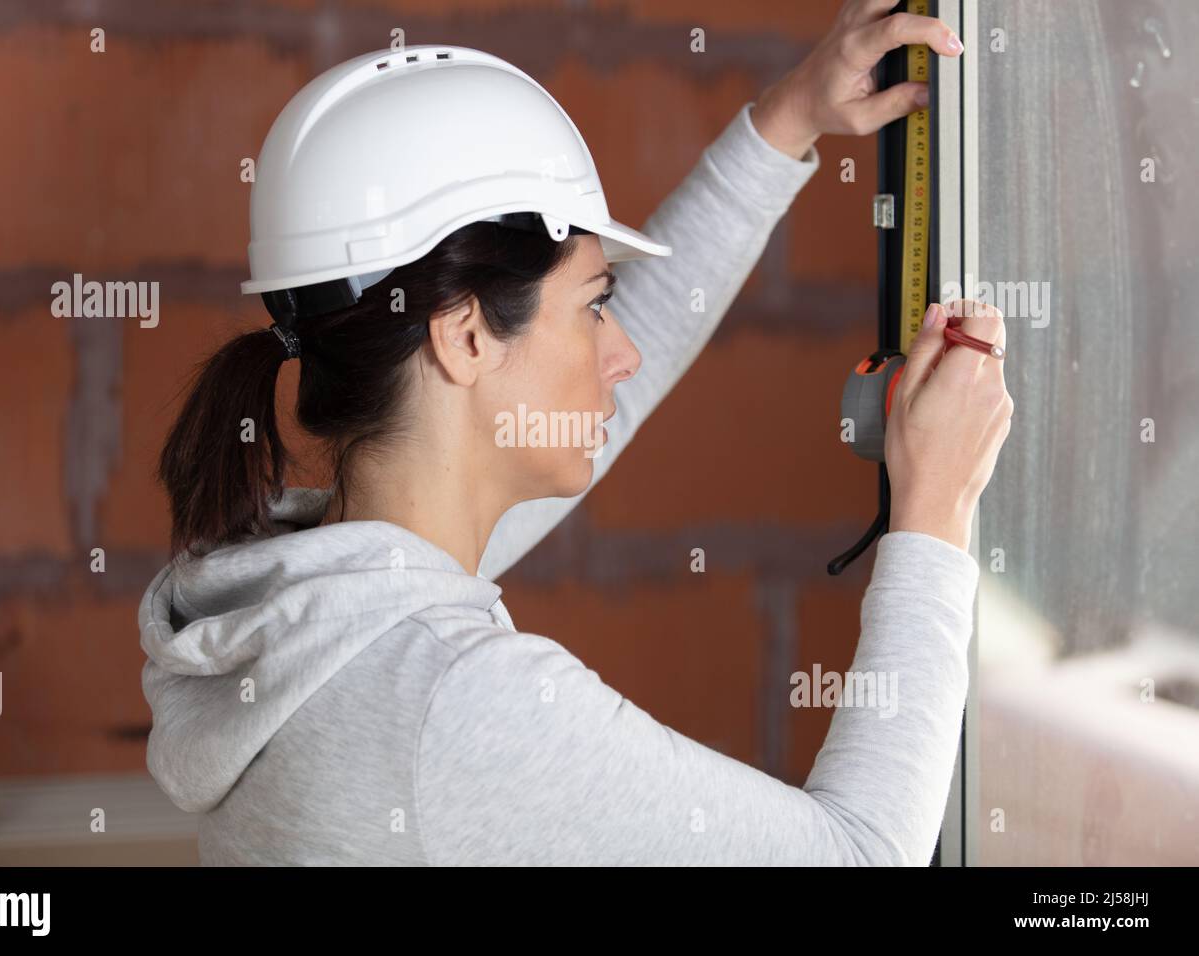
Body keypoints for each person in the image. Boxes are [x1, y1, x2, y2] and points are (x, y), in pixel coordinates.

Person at [139, 0, 1012, 864]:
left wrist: (785, 123)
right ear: (467, 334)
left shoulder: (303, 604)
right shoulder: (461, 701)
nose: (622, 352)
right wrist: (935, 509)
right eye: (597, 307)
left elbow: (602, 391)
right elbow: (862, 858)